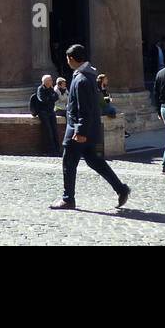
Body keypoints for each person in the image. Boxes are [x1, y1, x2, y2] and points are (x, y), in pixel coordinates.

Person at [49, 44, 131, 211]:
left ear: (71, 59)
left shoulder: (81, 79)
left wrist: (80, 131)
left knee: (69, 163)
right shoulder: (89, 76)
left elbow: (83, 109)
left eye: (67, 59)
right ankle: (121, 189)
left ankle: (67, 199)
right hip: (89, 129)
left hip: (78, 131)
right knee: (95, 162)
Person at [34, 74, 60, 154]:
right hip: (43, 113)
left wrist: (50, 98)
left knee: (54, 130)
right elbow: (42, 100)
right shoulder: (40, 89)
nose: (52, 81)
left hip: (51, 112)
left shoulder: (51, 89)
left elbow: (56, 97)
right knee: (48, 131)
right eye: (50, 80)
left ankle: (57, 150)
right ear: (45, 82)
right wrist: (51, 98)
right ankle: (50, 150)